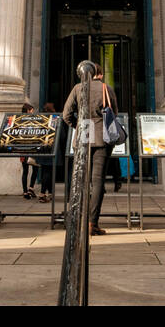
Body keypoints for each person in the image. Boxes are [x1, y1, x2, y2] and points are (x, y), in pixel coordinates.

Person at [61, 60, 118, 236]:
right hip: (102, 137)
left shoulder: (78, 88)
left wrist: (78, 126)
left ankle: (76, 218)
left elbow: (66, 115)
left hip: (84, 136)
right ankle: (92, 223)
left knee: (79, 178)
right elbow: (114, 112)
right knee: (98, 180)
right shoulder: (106, 89)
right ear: (99, 74)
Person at [36, 102, 57, 203]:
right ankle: (42, 193)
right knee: (48, 172)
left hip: (42, 149)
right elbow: (60, 135)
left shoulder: (41, 119)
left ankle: (50, 192)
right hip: (50, 149)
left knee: (46, 170)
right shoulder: (55, 119)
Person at [18, 102, 37, 199]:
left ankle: (25, 191)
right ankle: (31, 188)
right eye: (31, 111)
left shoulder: (19, 121)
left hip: (22, 149)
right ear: (28, 111)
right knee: (35, 169)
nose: (32, 113)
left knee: (25, 171)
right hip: (32, 149)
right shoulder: (32, 122)